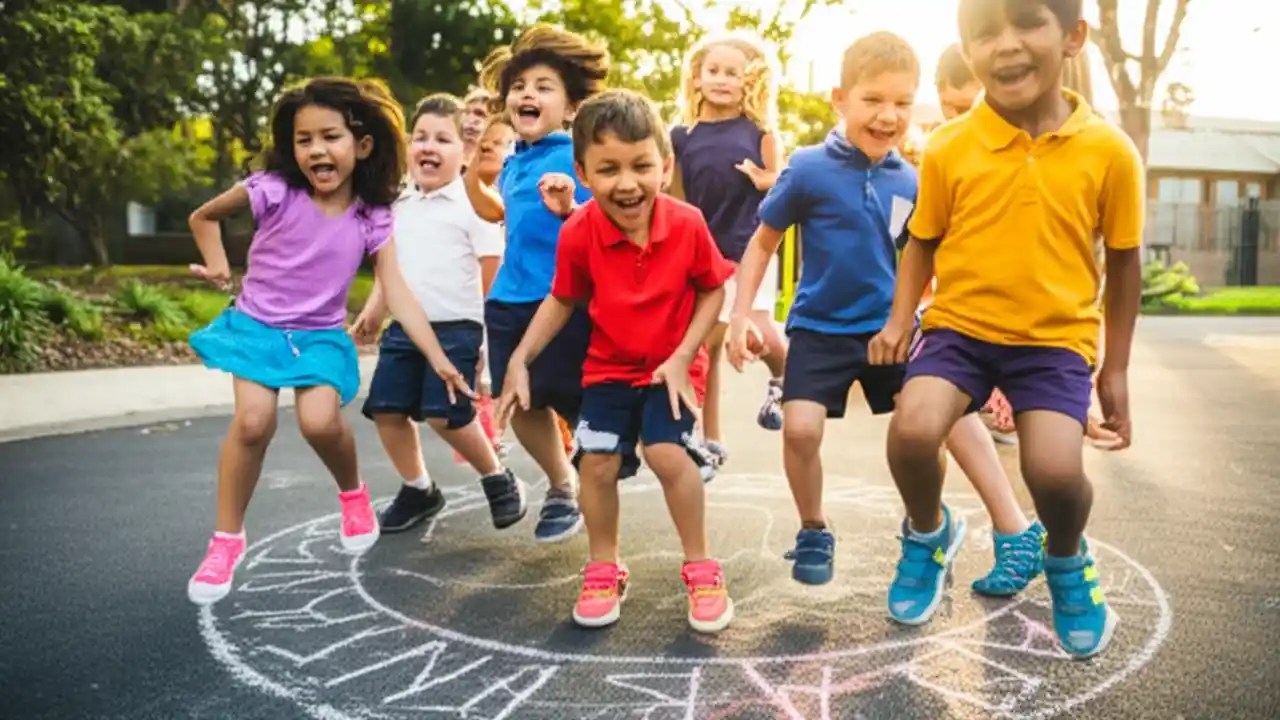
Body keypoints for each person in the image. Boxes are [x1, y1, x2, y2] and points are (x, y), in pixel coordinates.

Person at [869, 0, 1143, 658]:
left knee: (1055, 474)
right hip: (960, 331)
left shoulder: (1109, 151)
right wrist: (900, 320)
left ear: (1073, 36)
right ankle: (929, 534)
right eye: (984, 33)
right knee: (912, 430)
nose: (1006, 45)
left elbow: (1125, 261)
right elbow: (923, 240)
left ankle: (1067, 560)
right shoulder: (950, 145)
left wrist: (1116, 368)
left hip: (1054, 342)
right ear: (968, 51)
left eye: (1026, 23)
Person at [184, 77, 473, 605]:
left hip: (317, 336)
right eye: (304, 140)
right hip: (256, 328)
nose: (316, 149)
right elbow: (203, 217)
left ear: (361, 146)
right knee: (252, 423)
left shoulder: (372, 215)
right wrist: (220, 263)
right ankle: (226, 541)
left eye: (330, 137)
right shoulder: (274, 189)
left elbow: (397, 290)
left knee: (319, 421)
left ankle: (352, 492)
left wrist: (438, 357)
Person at [498, 89, 735, 632]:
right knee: (596, 462)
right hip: (609, 367)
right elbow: (561, 299)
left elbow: (713, 289)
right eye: (608, 169)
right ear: (582, 173)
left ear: (665, 166)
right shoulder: (579, 231)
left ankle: (701, 566)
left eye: (641, 166)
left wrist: (683, 355)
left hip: (671, 368)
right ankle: (604, 566)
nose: (627, 183)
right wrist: (520, 359)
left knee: (668, 453)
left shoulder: (688, 223)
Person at [726, 32, 922, 586]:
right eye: (873, 99)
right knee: (800, 431)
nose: (888, 115)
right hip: (818, 329)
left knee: (921, 428)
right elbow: (762, 243)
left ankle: (924, 523)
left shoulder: (909, 178)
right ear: (840, 99)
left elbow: (918, 257)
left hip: (888, 330)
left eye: (902, 102)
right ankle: (814, 527)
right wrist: (740, 315)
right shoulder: (808, 168)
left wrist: (914, 318)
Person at [350, 94, 523, 534]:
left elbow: (492, 281)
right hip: (405, 328)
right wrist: (374, 309)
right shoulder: (398, 205)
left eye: (443, 139)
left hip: (459, 328)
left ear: (465, 152)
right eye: (421, 137)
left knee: (447, 415)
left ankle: (497, 477)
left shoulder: (474, 206)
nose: (429, 147)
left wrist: (487, 348)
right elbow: (392, 268)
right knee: (386, 409)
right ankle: (419, 489)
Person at [464, 24, 610, 542]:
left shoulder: (578, 156)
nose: (528, 93)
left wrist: (571, 205)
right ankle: (561, 484)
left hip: (564, 301)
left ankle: (599, 467)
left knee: (576, 399)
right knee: (519, 401)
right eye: (519, 86)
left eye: (544, 87)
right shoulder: (512, 164)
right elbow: (498, 211)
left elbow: (606, 220)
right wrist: (472, 172)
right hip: (508, 300)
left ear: (570, 107)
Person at [668, 31, 789, 467]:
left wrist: (765, 180)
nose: (721, 79)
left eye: (733, 73)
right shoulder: (681, 135)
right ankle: (711, 437)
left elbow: (786, 183)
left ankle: (783, 380)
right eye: (713, 71)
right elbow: (676, 196)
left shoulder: (760, 133)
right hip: (705, 250)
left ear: (749, 83)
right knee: (708, 345)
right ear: (697, 77)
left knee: (761, 330)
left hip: (751, 245)